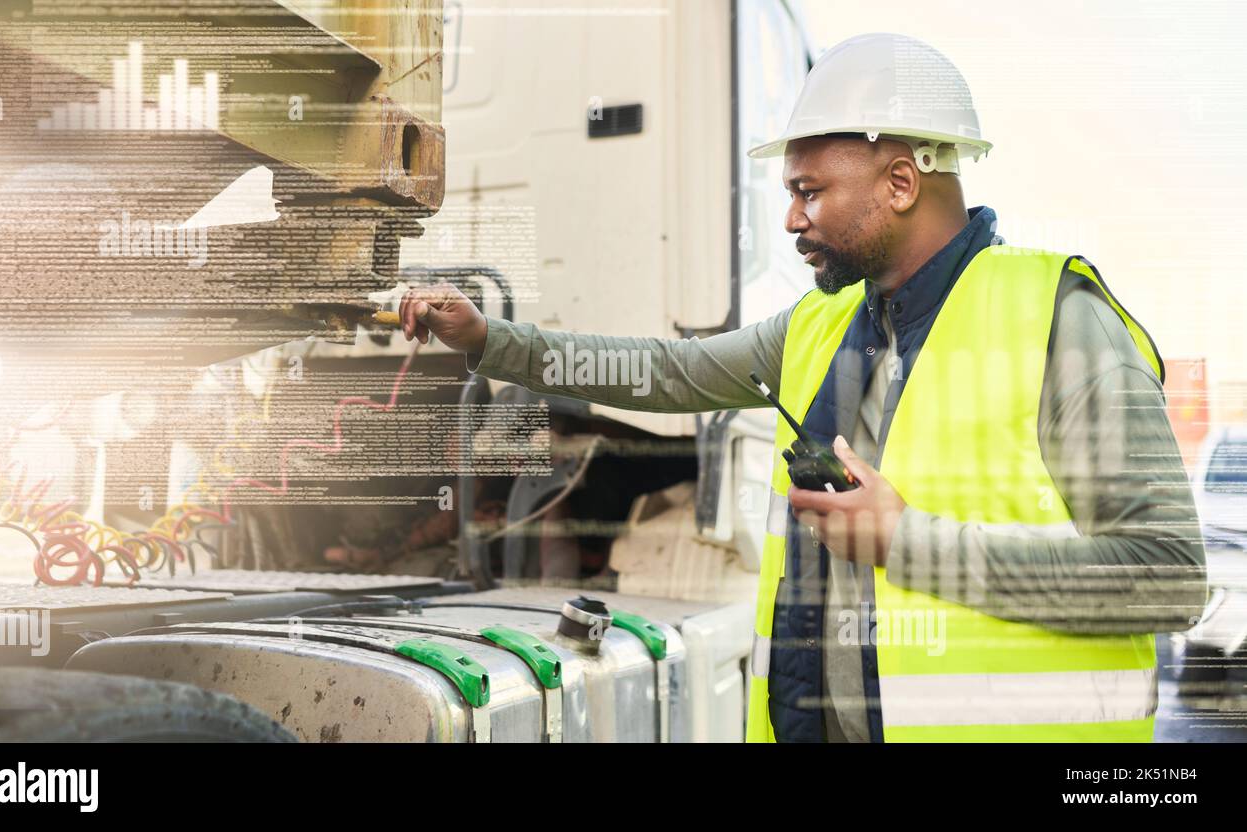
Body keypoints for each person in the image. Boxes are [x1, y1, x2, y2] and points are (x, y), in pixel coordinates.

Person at [398, 33, 1207, 742]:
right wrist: (489, 339)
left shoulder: (1059, 322)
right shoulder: (819, 327)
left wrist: (907, 542)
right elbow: (662, 371)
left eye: (808, 190)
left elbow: (1169, 576)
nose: (789, 220)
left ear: (899, 182)